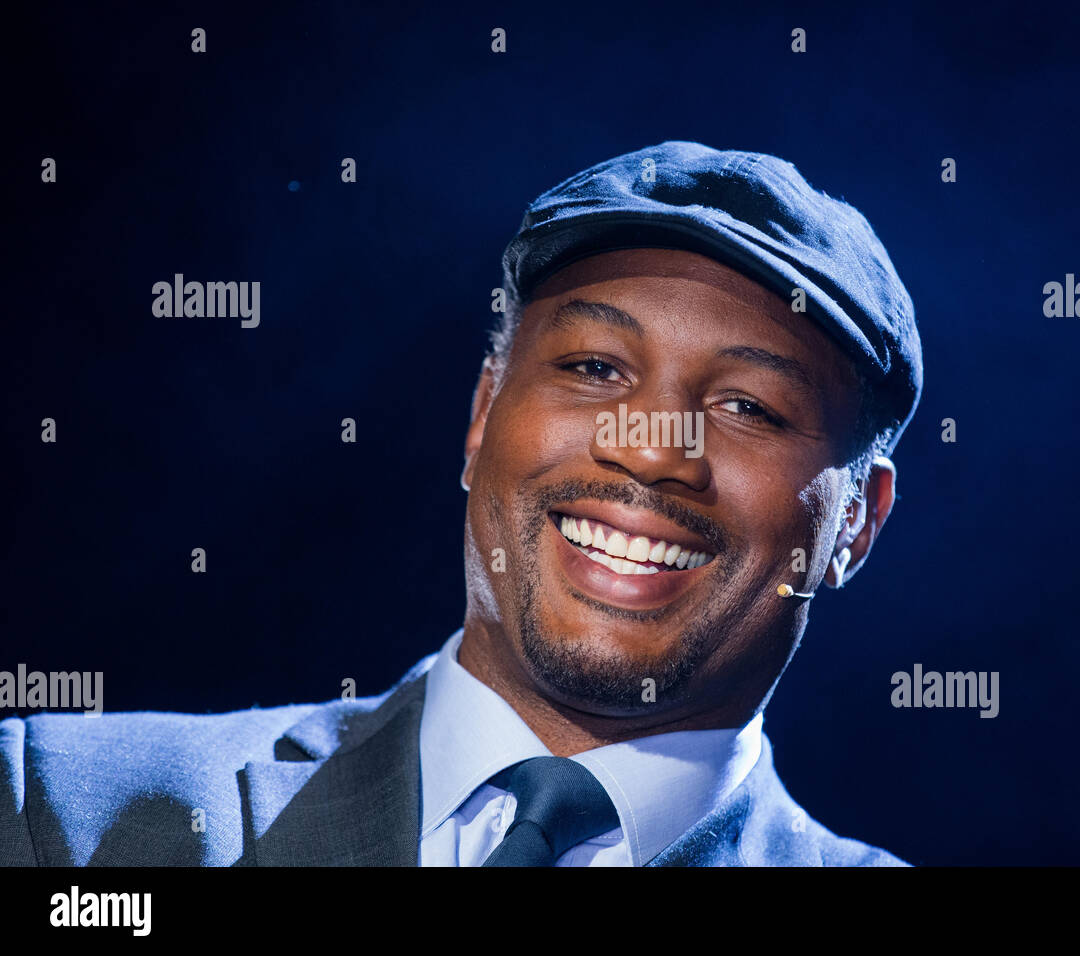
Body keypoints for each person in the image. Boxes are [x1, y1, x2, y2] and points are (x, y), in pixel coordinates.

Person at [0, 141, 922, 866]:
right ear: (483, 415)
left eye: (747, 408)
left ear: (854, 524)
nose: (649, 450)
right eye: (595, 368)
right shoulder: (56, 813)